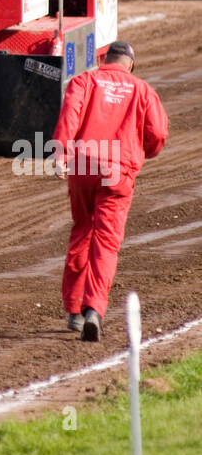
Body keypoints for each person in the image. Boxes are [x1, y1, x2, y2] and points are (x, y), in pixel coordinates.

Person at [53, 39, 168, 342]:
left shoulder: (84, 81)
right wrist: (141, 151)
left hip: (83, 167)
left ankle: (75, 312)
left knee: (82, 231)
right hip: (119, 171)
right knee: (106, 241)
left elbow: (70, 116)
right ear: (130, 64)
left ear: (104, 58)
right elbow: (157, 134)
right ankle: (94, 309)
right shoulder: (142, 90)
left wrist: (61, 154)